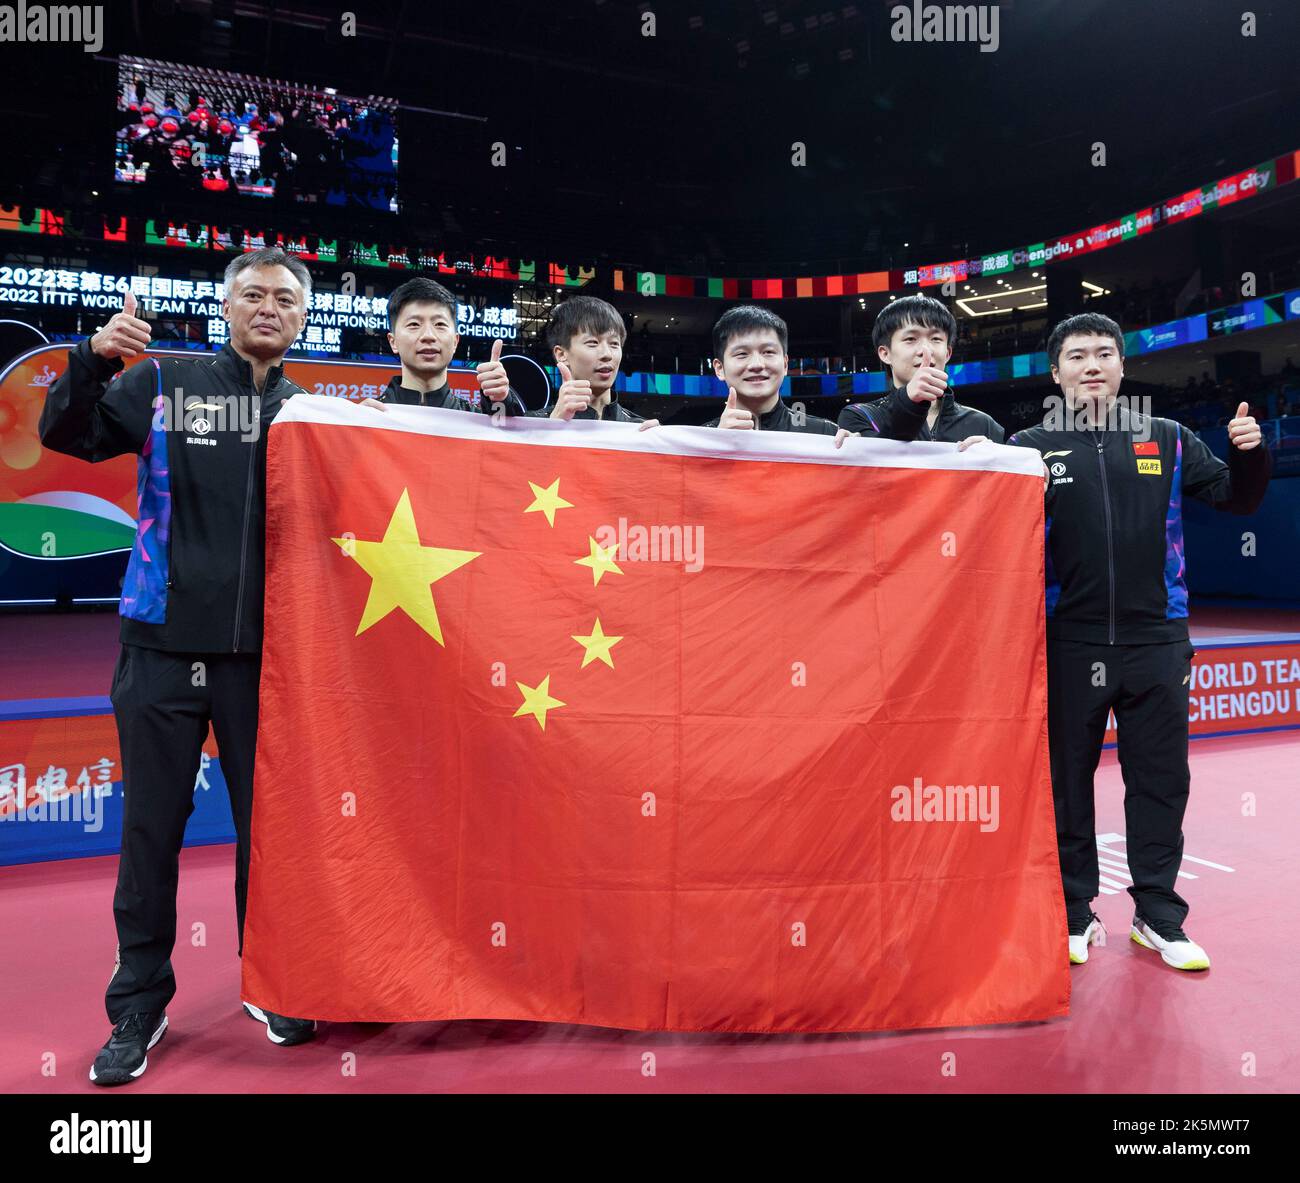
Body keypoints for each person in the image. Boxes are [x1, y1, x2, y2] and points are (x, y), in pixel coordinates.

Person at [39, 245, 320, 1085]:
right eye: (253, 294)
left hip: (264, 662)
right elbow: (66, 432)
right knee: (151, 831)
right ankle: (138, 1004)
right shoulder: (162, 383)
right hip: (160, 649)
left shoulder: (311, 415)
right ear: (225, 308)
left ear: (303, 318)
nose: (268, 307)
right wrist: (92, 358)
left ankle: (271, 981)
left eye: (285, 298)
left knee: (269, 836)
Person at [961, 312, 1271, 971]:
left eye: (1105, 353)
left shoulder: (1169, 437)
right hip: (1067, 642)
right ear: (1056, 372)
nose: (1093, 365)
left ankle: (1158, 916)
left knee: (1159, 781)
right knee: (1066, 783)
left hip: (1156, 640)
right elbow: (984, 530)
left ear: (1123, 366)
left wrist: (1250, 455)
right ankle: (1075, 911)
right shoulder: (1028, 447)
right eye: (1077, 355)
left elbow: (1237, 500)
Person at [836, 293, 1004, 445]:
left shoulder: (985, 425)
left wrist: (992, 461)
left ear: (947, 353)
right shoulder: (861, 416)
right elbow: (881, 463)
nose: (926, 350)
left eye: (936, 339)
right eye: (910, 339)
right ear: (885, 354)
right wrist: (909, 401)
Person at [369, 276, 524, 415]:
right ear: (393, 341)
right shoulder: (369, 417)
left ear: (455, 341)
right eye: (414, 324)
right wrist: (358, 427)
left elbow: (512, 434)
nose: (428, 336)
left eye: (440, 324)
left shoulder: (475, 421)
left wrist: (502, 402)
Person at [704, 305, 837, 434]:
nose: (757, 364)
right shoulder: (699, 441)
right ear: (720, 369)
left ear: (785, 365)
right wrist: (718, 442)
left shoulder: (825, 434)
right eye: (742, 354)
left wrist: (848, 445)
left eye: (768, 352)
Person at [543, 295, 654, 425]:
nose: (607, 354)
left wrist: (656, 437)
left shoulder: (639, 428)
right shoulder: (531, 428)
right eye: (593, 343)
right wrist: (555, 425)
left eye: (614, 344)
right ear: (562, 354)